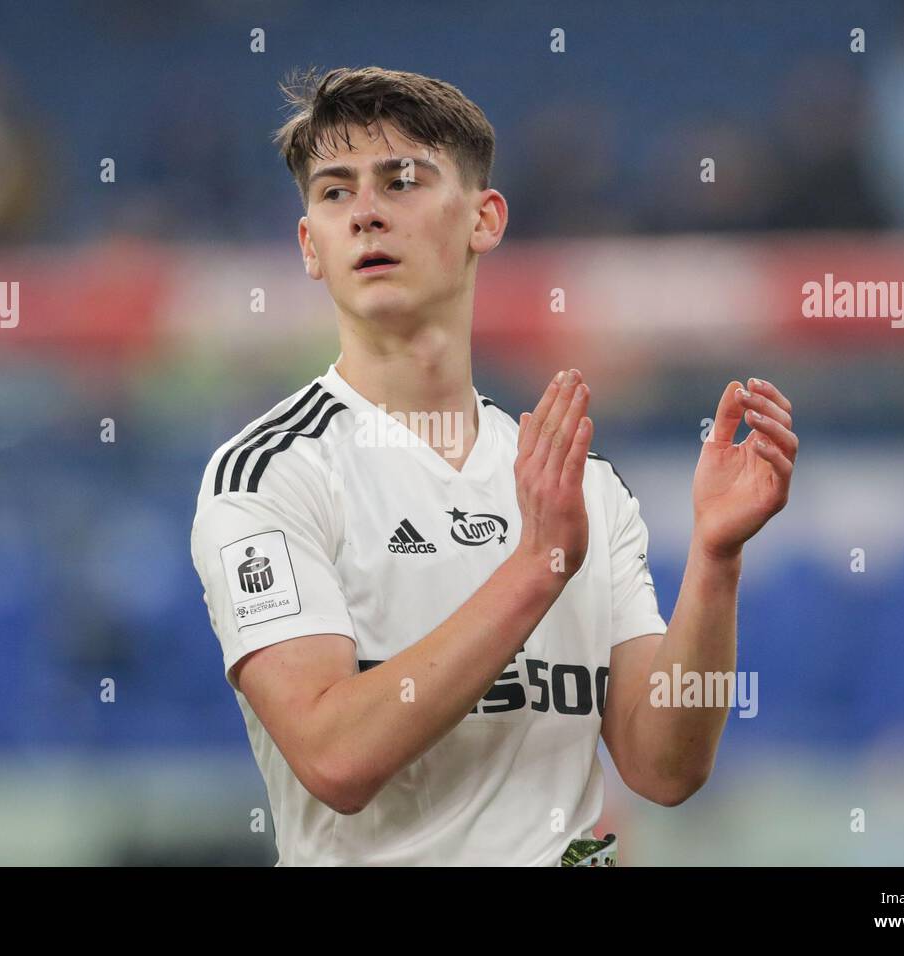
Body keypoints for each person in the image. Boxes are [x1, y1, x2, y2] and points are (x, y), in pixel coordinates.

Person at [189, 66, 798, 865]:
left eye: (401, 180)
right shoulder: (270, 475)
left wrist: (717, 561)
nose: (366, 213)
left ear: (484, 218)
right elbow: (335, 757)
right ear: (310, 245)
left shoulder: (580, 484)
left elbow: (666, 766)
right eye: (334, 193)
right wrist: (537, 569)